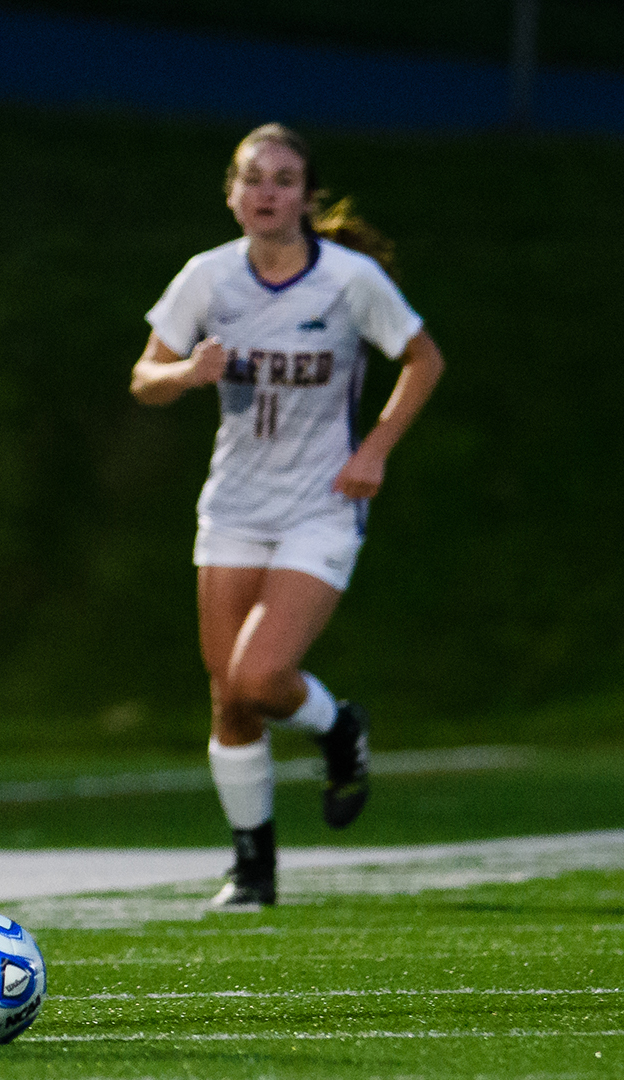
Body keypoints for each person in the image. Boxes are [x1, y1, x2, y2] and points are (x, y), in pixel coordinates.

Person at [128, 123, 445, 909]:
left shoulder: (347, 279)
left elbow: (424, 359)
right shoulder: (207, 277)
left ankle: (338, 729)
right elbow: (143, 379)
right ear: (232, 193)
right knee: (229, 696)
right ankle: (253, 867)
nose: (266, 192)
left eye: (283, 179)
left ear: (307, 197)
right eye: (252, 178)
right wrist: (185, 371)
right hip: (234, 507)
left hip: (320, 505)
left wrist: (374, 450)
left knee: (261, 675)